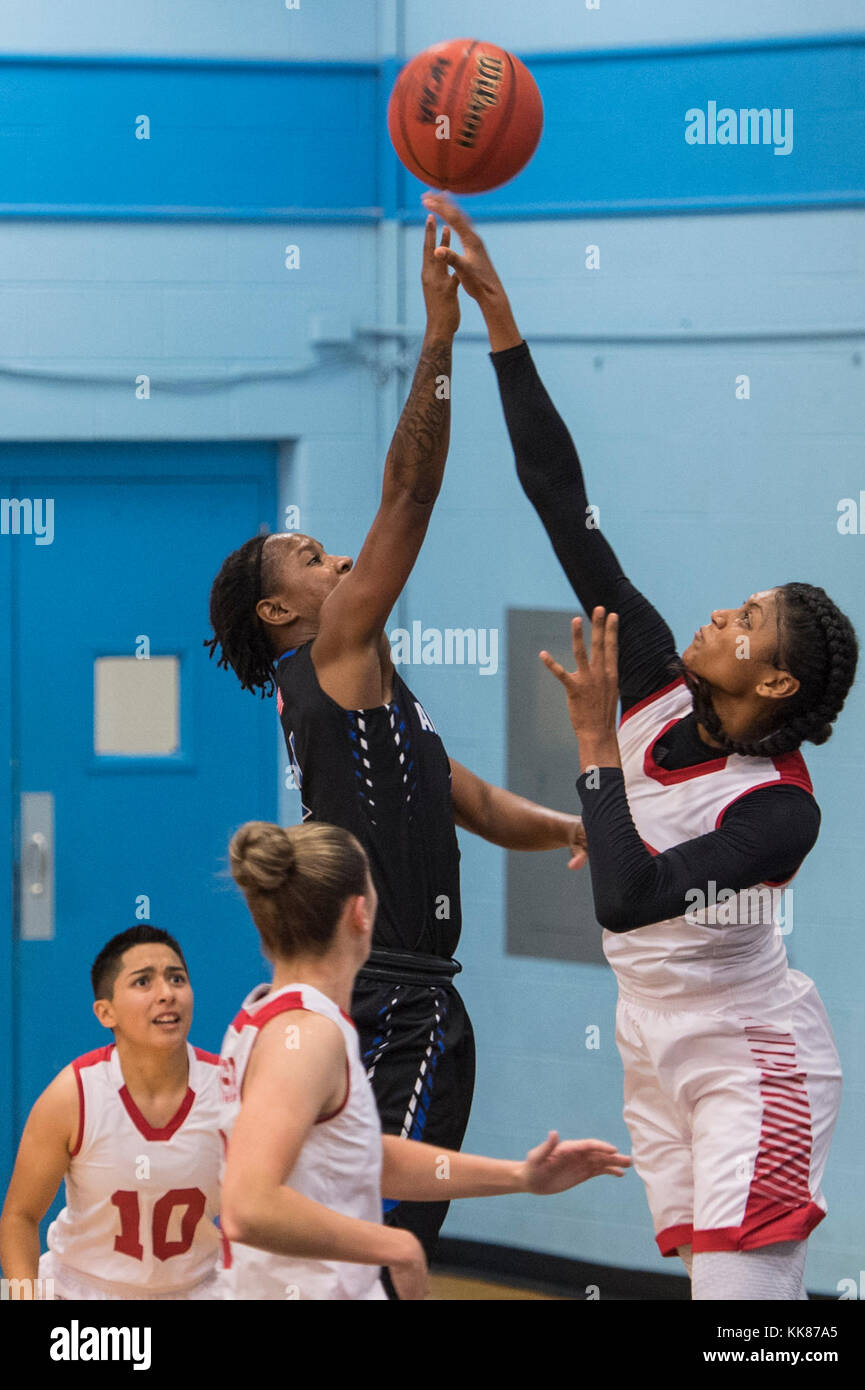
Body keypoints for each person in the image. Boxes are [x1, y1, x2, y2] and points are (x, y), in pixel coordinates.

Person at [423, 190, 858, 1301]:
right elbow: (563, 503)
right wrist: (501, 326)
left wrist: (589, 751)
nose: (720, 615)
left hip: (750, 1056)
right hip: (651, 1042)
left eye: (747, 621)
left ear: (775, 681)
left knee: (744, 1316)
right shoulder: (659, 670)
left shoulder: (779, 810)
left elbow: (625, 898)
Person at [205, 209, 589, 1267]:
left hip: (403, 988)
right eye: (312, 558)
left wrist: (575, 824)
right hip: (397, 998)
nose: (336, 566)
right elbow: (411, 493)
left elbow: (467, 797)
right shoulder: (330, 651)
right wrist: (439, 334)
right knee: (379, 1246)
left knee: (358, 1237)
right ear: (282, 613)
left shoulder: (369, 697)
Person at [219, 817, 631, 1300]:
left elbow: (359, 1157)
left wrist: (520, 1176)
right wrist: (396, 1246)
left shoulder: (277, 1016)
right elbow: (248, 1207)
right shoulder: (305, 1035)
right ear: (361, 912)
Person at [0, 926, 223, 1300]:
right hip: (78, 1292)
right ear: (106, 1012)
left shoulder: (229, 1090)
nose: (167, 994)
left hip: (197, 1290)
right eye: (143, 982)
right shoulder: (73, 1095)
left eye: (177, 978)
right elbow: (19, 1218)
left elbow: (262, 1215)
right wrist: (25, 1297)